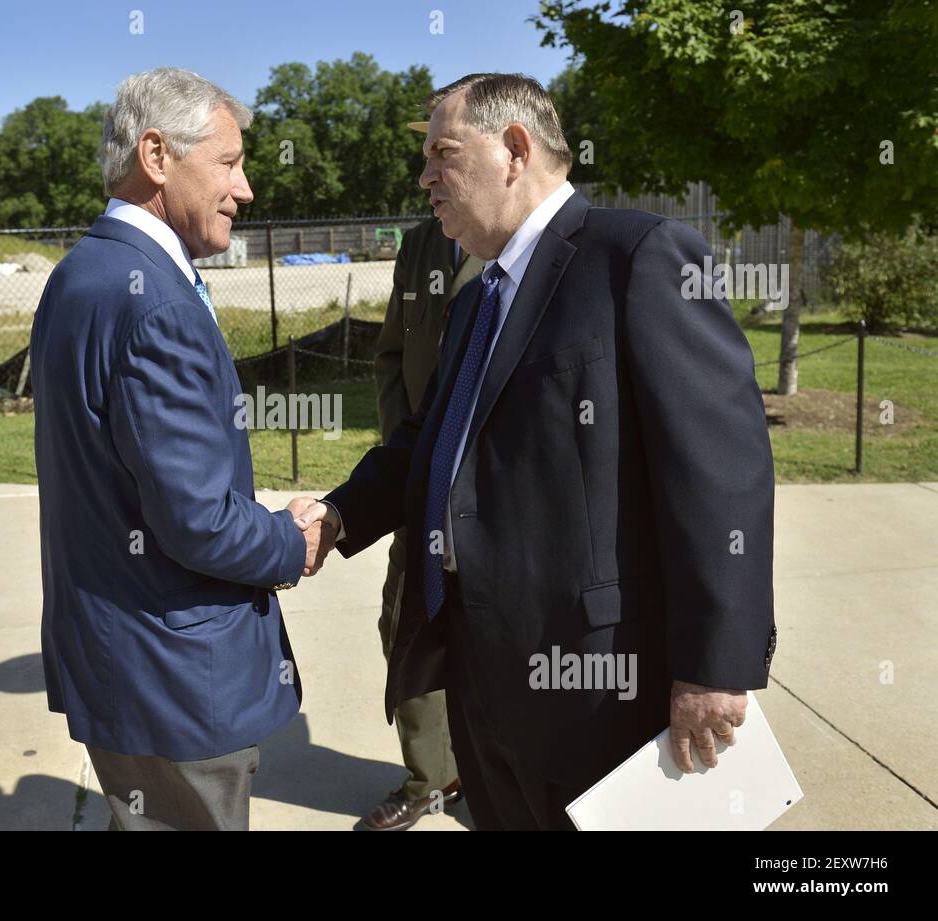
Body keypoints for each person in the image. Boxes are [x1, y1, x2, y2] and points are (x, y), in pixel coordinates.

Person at [292, 73, 777, 830]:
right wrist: (338, 514)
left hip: (597, 686)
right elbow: (430, 438)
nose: (424, 178)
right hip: (482, 677)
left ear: (514, 148)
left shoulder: (634, 258)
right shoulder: (476, 298)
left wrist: (715, 665)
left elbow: (721, 472)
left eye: (440, 154)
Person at [32, 68, 329, 831]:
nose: (247, 187)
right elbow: (197, 518)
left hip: (119, 652)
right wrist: (289, 542)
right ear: (157, 155)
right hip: (170, 670)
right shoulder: (153, 299)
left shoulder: (84, 274)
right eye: (229, 162)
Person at [363, 214, 482, 830]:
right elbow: (391, 356)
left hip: (496, 494)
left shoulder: (532, 241)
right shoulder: (421, 243)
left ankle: (491, 769)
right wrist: (404, 466)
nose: (428, 172)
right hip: (422, 479)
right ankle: (432, 777)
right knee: (405, 624)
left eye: (445, 151)